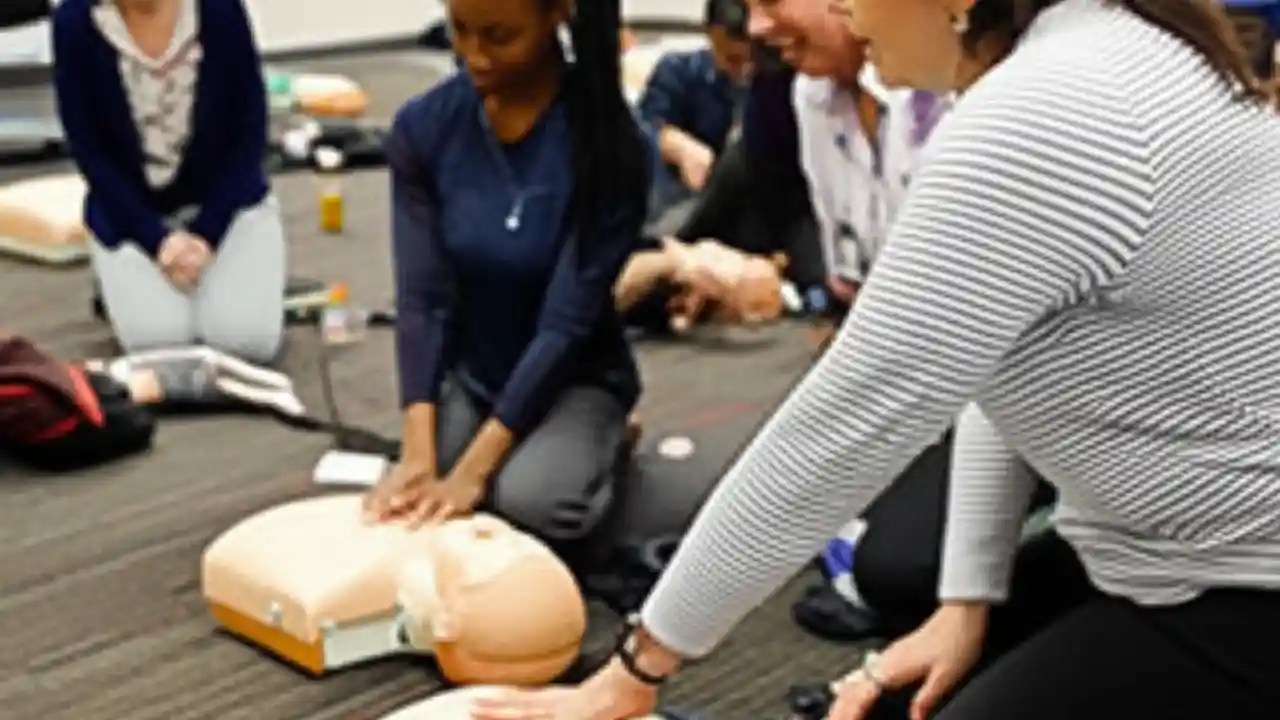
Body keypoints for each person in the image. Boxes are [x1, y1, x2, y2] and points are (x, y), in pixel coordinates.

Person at [472, 0, 1280, 717]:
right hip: (1167, 548)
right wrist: (967, 603)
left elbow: (842, 426)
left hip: (1239, 584)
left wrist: (630, 674)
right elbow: (1002, 368)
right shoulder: (1108, 40)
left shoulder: (1047, 106)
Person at [362, 0, 650, 569]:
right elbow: (422, 300)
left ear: (558, 15)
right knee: (420, 490)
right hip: (477, 372)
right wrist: (417, 453)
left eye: (498, 36)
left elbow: (564, 326)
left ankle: (610, 437)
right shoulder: (425, 127)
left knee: (529, 505)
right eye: (459, 30)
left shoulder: (612, 146)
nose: (474, 55)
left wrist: (475, 472)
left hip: (576, 376)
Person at [52, 0, 286, 365]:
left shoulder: (220, 11)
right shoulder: (75, 23)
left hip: (225, 205)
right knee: (160, 346)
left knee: (245, 343)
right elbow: (90, 151)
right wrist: (156, 240)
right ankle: (120, 280)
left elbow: (249, 136)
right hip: (133, 216)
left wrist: (207, 235)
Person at [639, 0, 753, 228]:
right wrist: (676, 145)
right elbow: (642, 126)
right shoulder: (677, 72)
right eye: (732, 60)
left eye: (755, 58)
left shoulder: (780, 84)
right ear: (710, 35)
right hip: (684, 207)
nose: (745, 70)